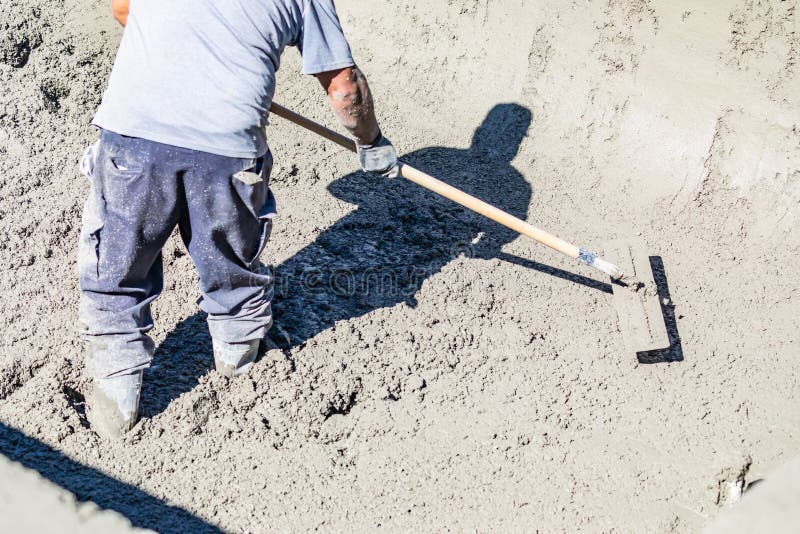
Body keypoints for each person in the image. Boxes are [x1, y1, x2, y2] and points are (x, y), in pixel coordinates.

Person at [78, 0, 398, 439]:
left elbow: (122, 10)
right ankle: (238, 362)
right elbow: (345, 90)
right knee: (231, 264)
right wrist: (371, 140)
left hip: (134, 136)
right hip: (226, 146)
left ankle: (117, 405)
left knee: (116, 269)